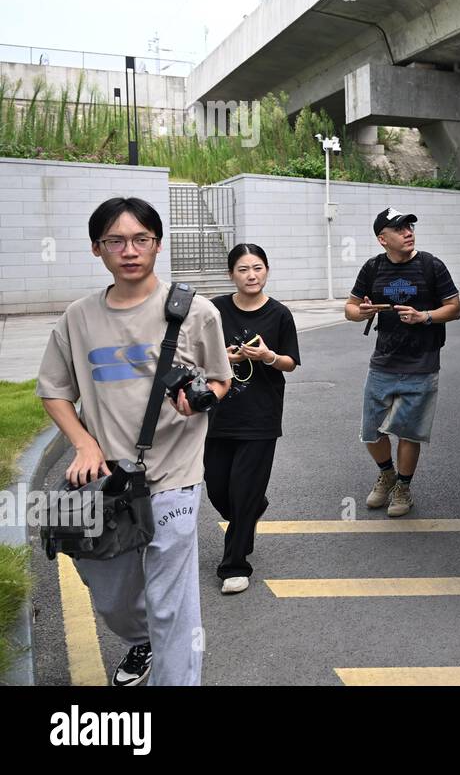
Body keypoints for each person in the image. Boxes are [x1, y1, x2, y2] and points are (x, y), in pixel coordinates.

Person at [36, 197, 232, 686]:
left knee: (174, 607)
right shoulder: (77, 319)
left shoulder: (196, 311)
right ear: (96, 248)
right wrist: (83, 444)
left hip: (173, 477)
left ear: (157, 245)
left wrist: (200, 398)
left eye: (141, 239)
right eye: (115, 241)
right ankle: (140, 639)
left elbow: (220, 380)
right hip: (105, 482)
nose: (129, 250)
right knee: (112, 596)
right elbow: (54, 391)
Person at [345, 208, 460, 517]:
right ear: (383, 239)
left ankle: (403, 488)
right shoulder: (373, 268)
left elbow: (454, 308)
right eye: (399, 229)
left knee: (409, 432)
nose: (408, 232)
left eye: (409, 226)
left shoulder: (431, 266)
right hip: (383, 361)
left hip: (422, 363)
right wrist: (363, 313)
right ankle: (387, 474)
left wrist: (425, 317)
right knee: (371, 430)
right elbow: (350, 309)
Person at [204, 244, 300, 595]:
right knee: (217, 486)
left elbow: (290, 361)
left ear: (267, 270)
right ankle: (253, 509)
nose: (251, 275)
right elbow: (198, 353)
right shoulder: (214, 309)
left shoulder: (279, 314)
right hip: (217, 414)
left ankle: (234, 565)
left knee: (243, 491)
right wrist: (222, 357)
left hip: (261, 415)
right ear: (232, 274)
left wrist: (268, 356)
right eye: (243, 269)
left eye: (258, 268)